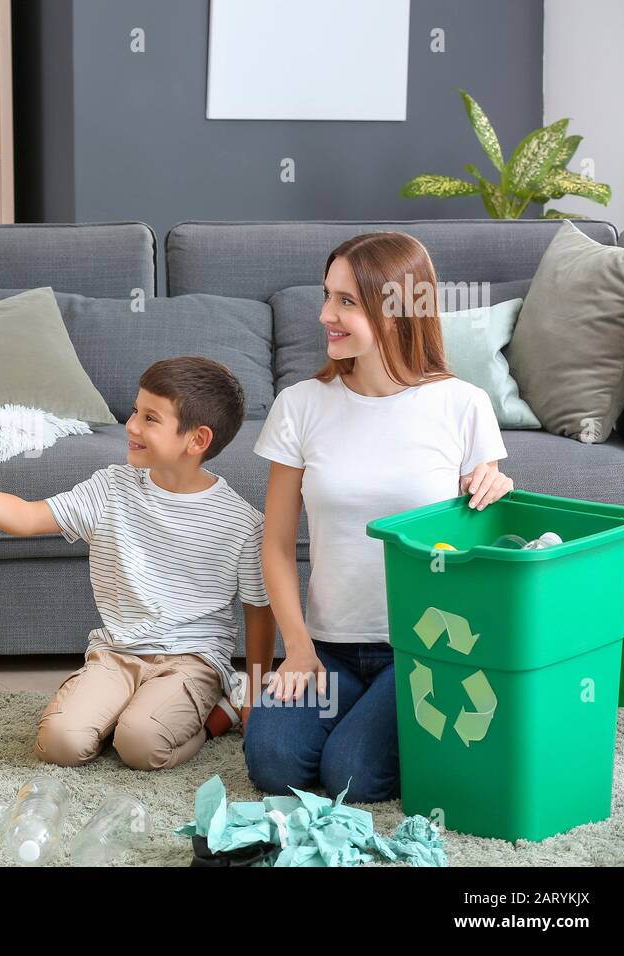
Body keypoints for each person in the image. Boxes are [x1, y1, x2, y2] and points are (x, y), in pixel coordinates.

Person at [246, 231, 514, 803]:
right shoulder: (301, 406)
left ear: (397, 309)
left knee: (353, 775)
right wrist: (297, 649)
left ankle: (372, 730)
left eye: (346, 301)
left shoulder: (462, 404)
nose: (324, 315)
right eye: (327, 296)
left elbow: (484, 529)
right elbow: (274, 545)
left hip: (423, 646)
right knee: (272, 762)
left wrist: (498, 486)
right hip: (327, 646)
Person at [0, 357, 276, 770]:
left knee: (140, 746)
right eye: (136, 411)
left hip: (193, 660)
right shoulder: (110, 487)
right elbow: (29, 517)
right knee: (60, 745)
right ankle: (123, 711)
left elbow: (259, 614)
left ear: (197, 440)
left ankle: (216, 714)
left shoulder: (242, 523)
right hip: (118, 653)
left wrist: (259, 694)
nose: (132, 426)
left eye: (150, 418)